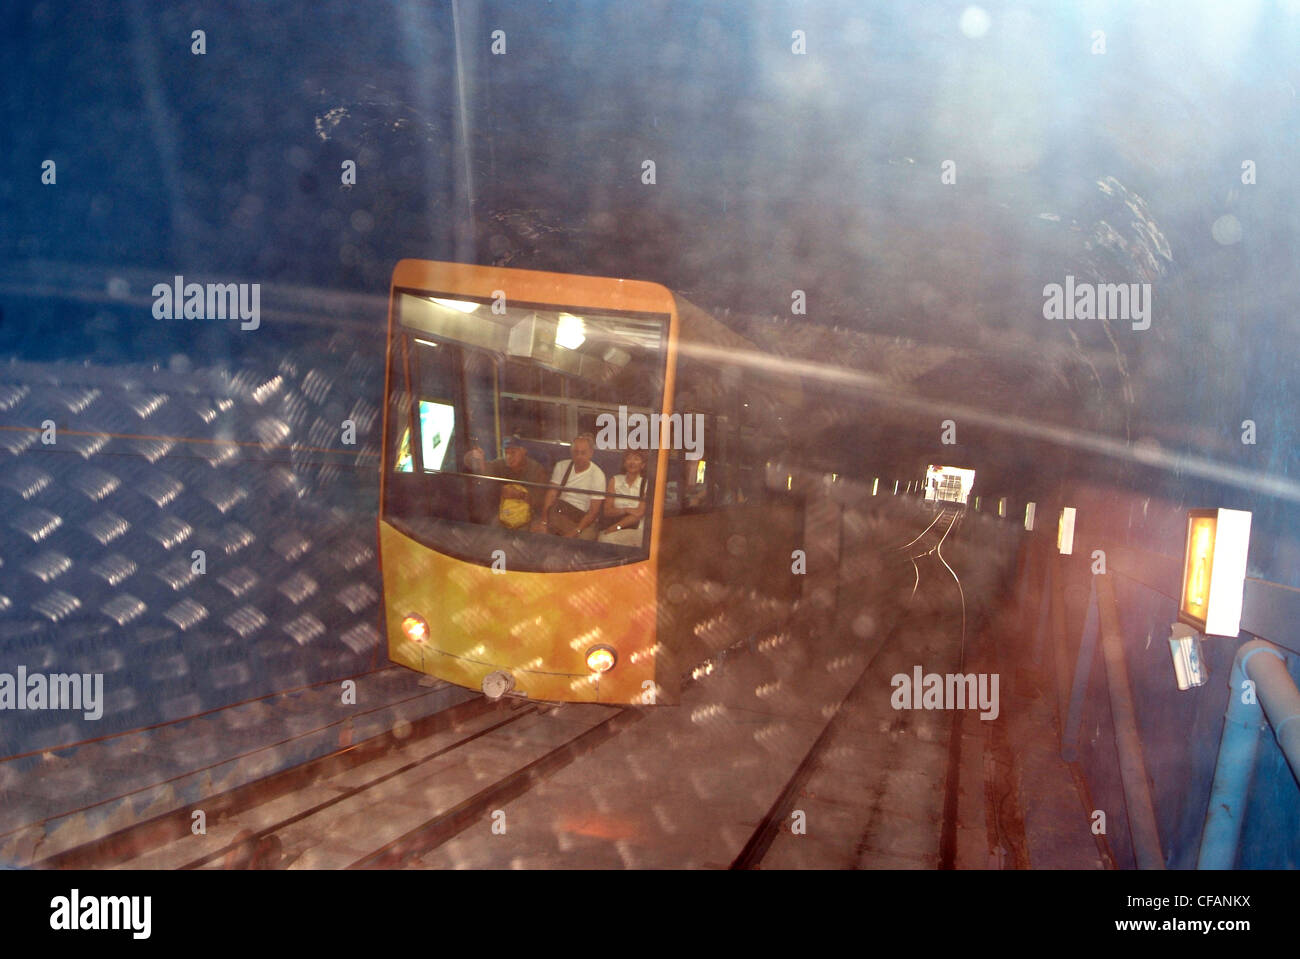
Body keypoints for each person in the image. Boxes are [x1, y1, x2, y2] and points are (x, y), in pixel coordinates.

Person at [463, 436, 548, 529]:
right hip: (504, 514)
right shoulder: (499, 464)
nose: (509, 457)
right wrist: (480, 460)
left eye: (513, 453)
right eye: (506, 453)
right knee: (492, 531)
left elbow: (540, 500)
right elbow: (484, 478)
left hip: (530, 516)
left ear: (523, 451)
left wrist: (520, 495)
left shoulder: (537, 469)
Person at [542, 433, 606, 540]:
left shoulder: (598, 475)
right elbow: (551, 494)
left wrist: (576, 531)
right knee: (538, 531)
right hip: (559, 513)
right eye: (576, 452)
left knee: (583, 540)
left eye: (583, 453)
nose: (579, 456)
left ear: (591, 453)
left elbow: (593, 511)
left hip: (583, 520)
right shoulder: (561, 466)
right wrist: (544, 521)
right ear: (571, 452)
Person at [598, 450, 648, 547]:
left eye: (636, 459)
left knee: (605, 539)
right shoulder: (615, 480)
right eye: (629, 458)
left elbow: (639, 513)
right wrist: (626, 510)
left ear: (643, 465)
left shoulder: (647, 485)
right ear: (624, 463)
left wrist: (617, 527)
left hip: (635, 529)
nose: (632, 462)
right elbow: (607, 511)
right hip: (611, 524)